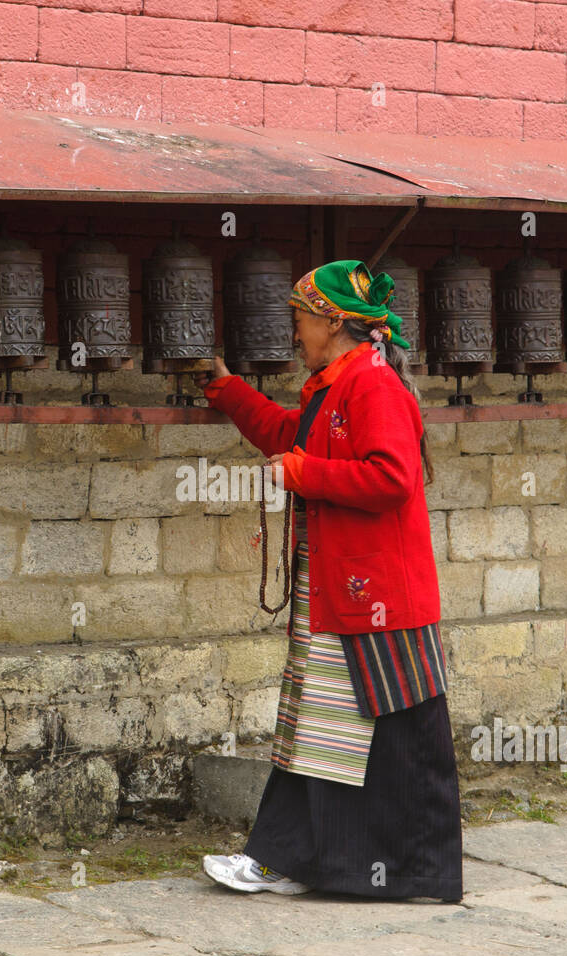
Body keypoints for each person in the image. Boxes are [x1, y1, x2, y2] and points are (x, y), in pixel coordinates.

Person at [194, 259, 463, 902]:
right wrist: (231, 391)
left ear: (334, 321)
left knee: (381, 739)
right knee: (317, 732)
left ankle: (368, 867)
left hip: (377, 600)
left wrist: (302, 474)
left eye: (300, 318)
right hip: (342, 594)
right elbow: (295, 438)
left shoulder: (373, 387)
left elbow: (391, 478)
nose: (293, 333)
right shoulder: (333, 385)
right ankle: (298, 861)